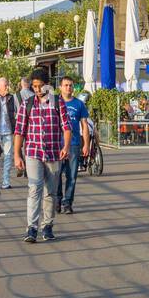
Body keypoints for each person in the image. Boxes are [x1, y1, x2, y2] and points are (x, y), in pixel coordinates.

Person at [13, 67, 70, 243]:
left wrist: (66, 146)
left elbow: (66, 127)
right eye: (34, 86)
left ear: (47, 85)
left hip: (53, 153)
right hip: (33, 153)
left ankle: (48, 226)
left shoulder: (58, 103)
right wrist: (17, 154)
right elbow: (19, 131)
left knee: (50, 192)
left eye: (40, 86)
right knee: (34, 189)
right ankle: (31, 228)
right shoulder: (27, 104)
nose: (37, 90)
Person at [55, 76, 91, 214]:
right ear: (60, 87)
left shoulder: (79, 104)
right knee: (56, 175)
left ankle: (67, 203)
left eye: (70, 85)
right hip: (57, 144)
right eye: (65, 85)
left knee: (72, 176)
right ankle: (57, 201)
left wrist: (86, 144)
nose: (68, 88)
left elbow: (84, 125)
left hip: (74, 144)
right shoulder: (54, 103)